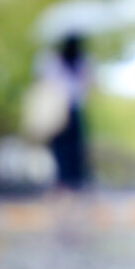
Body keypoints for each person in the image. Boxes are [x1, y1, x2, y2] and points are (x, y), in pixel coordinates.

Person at [36, 33, 92, 189]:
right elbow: (87, 87)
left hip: (57, 111)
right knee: (74, 147)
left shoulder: (51, 61)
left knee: (60, 147)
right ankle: (74, 181)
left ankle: (63, 180)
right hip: (72, 110)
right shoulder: (81, 62)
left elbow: (42, 81)